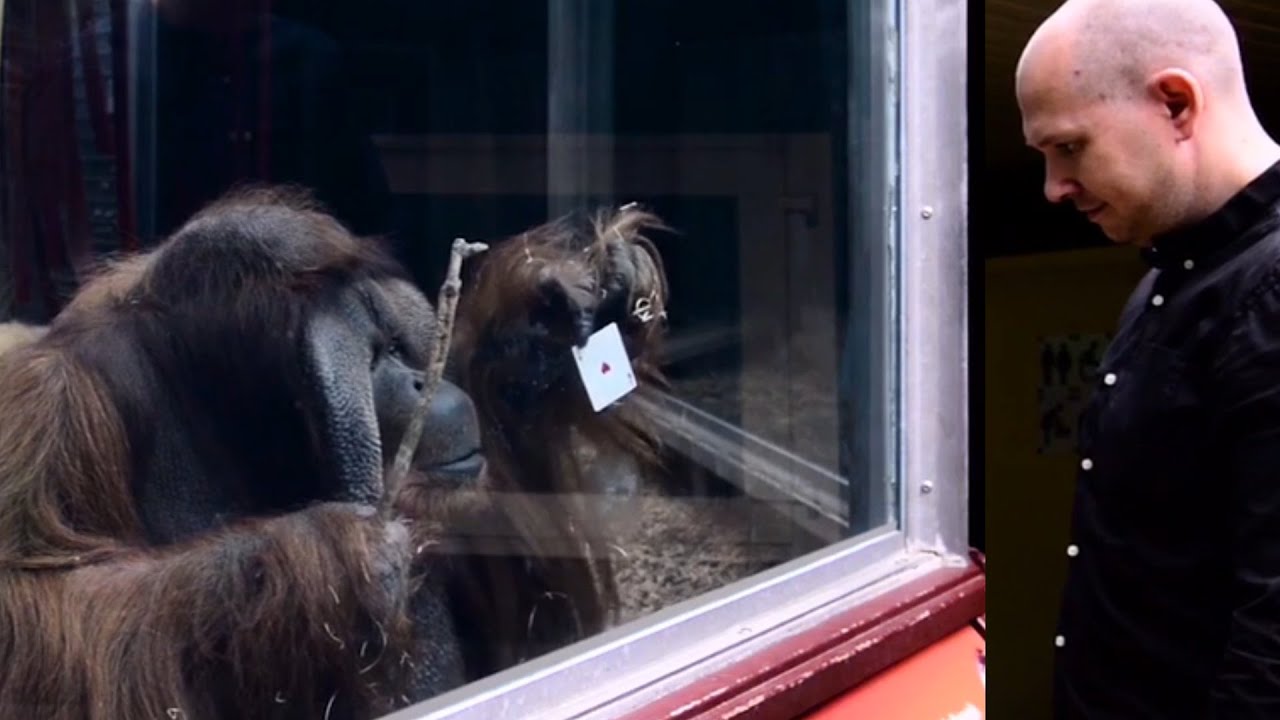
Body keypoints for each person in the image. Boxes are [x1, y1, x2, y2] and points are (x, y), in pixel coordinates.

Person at [1016, 0, 1280, 716]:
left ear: (1176, 103)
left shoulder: (1268, 291)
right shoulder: (1166, 279)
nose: (1052, 189)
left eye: (1068, 147)